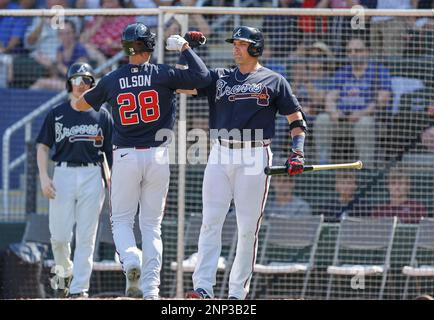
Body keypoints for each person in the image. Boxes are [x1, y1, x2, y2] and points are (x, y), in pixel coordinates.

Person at [75, 22, 211, 299]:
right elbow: (202, 77)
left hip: (124, 155)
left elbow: (80, 104)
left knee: (122, 221)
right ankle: (151, 290)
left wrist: (95, 95)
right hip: (158, 155)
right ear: (150, 46)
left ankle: (130, 258)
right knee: (151, 225)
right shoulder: (164, 74)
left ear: (125, 48)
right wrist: (185, 49)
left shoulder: (112, 79)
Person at [180, 26, 307, 300]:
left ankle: (237, 293)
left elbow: (297, 122)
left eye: (241, 43)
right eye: (234, 43)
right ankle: (203, 288)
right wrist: (189, 50)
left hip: (254, 154)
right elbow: (184, 82)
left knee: (247, 228)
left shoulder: (274, 80)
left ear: (256, 47)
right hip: (220, 152)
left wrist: (297, 153)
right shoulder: (220, 77)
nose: (235, 47)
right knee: (210, 221)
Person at [36, 62, 113, 298]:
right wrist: (44, 177)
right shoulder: (56, 113)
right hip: (63, 174)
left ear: (92, 84)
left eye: (86, 80)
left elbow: (110, 153)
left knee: (86, 237)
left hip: (93, 174)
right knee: (59, 237)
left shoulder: (102, 114)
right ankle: (65, 272)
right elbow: (42, 146)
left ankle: (79, 289)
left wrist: (112, 182)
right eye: (76, 80)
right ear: (69, 83)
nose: (81, 85)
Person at [313, 37, 391, 167]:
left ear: (367, 52)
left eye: (358, 50)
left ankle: (366, 168)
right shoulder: (342, 72)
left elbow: (383, 99)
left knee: (364, 123)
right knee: (322, 119)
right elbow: (330, 97)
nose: (353, 54)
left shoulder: (378, 71)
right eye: (350, 51)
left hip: (368, 118)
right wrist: (334, 112)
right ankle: (323, 164)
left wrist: (361, 113)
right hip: (342, 118)